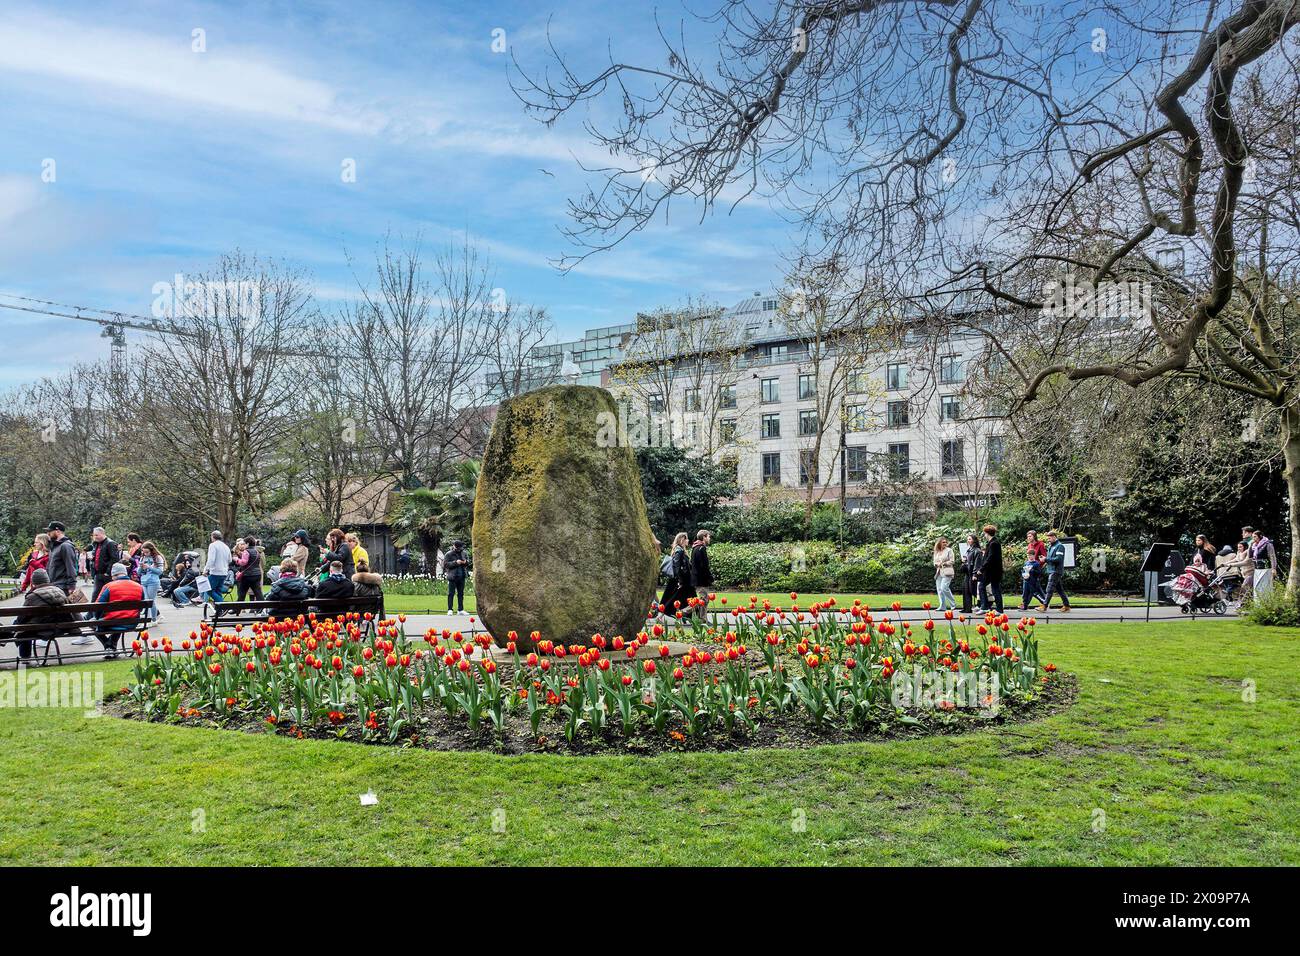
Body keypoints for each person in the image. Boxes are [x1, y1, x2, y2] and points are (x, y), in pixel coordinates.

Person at [2, 568, 72, 663]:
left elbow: (22, 618)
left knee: (22, 626)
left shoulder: (32, 597)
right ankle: (6, 636)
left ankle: (25, 657)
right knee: (24, 625)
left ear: (34, 582)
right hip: (60, 628)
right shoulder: (60, 591)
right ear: (47, 580)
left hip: (39, 630)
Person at [96, 562, 144, 659]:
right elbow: (141, 607)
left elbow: (98, 606)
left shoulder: (109, 586)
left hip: (110, 623)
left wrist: (97, 618)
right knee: (120, 619)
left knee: (93, 623)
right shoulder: (139, 586)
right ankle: (111, 647)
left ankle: (108, 646)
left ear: (114, 575)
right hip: (132, 622)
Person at [659, 532, 694, 617]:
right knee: (678, 599)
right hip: (682, 580)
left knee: (686, 599)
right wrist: (680, 580)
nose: (688, 540)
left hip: (684, 580)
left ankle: (691, 616)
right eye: (686, 539)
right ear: (682, 540)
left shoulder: (680, 550)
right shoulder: (679, 551)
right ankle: (662, 614)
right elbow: (677, 566)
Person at [1040, 530, 1072, 612]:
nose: (1048, 540)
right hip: (1051, 570)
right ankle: (1067, 606)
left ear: (1054, 537)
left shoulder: (1060, 546)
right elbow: (1051, 559)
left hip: (1056, 571)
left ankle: (1044, 606)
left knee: (1049, 589)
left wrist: (1046, 559)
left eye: (1050, 538)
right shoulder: (1051, 546)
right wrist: (1045, 562)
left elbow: (1058, 559)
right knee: (1060, 590)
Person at [45, 522, 80, 595]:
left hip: (63, 587)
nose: (48, 534)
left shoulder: (66, 546)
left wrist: (71, 586)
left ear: (57, 531)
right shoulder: (55, 546)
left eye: (50, 531)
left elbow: (71, 567)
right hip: (54, 586)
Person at [87, 527, 121, 601]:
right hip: (98, 574)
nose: (94, 537)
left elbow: (114, 559)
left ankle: (98, 612)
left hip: (106, 575)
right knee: (95, 596)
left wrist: (108, 572)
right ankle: (92, 612)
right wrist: (92, 559)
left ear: (102, 534)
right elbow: (99, 557)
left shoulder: (110, 543)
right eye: (94, 535)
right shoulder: (96, 544)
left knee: (107, 596)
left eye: (96, 535)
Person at [136, 541, 165, 621]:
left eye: (147, 552)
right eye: (143, 552)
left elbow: (160, 572)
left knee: (150, 601)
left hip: (153, 581)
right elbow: (138, 572)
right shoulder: (142, 557)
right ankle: (150, 618)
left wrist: (149, 567)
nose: (145, 554)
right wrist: (141, 567)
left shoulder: (158, 557)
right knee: (146, 600)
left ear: (152, 550)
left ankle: (153, 619)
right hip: (144, 581)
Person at [978, 524, 1004, 613]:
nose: (984, 535)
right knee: (989, 587)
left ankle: (989, 607)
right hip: (993, 571)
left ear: (987, 533)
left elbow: (990, 558)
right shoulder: (993, 543)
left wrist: (981, 569)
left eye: (984, 533)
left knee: (993, 589)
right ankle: (987, 606)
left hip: (993, 571)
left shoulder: (993, 543)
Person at [1020, 530, 1047, 610]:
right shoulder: (1029, 545)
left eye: (1030, 536)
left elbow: (1044, 557)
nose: (1028, 538)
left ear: (1034, 536)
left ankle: (1044, 603)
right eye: (1028, 536)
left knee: (1035, 588)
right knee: (1029, 588)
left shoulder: (1040, 544)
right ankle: (1025, 604)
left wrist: (1037, 566)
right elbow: (1029, 556)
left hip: (1036, 567)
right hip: (1029, 569)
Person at [203, 530, 232, 605]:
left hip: (215, 572)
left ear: (213, 537)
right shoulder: (226, 546)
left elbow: (211, 560)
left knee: (209, 590)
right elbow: (230, 560)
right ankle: (219, 611)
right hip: (224, 572)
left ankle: (222, 605)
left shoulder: (213, 545)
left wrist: (206, 570)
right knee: (218, 591)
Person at [691, 529, 713, 621]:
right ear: (704, 537)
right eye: (708, 536)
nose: (709, 538)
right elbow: (703, 566)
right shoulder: (701, 548)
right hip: (701, 579)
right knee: (704, 599)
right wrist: (710, 577)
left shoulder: (695, 547)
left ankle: (703, 618)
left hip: (697, 578)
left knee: (704, 599)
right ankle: (685, 611)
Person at [1250, 529, 1278, 597]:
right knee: (1257, 587)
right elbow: (1250, 556)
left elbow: (1272, 556)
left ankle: (1267, 603)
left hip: (1266, 568)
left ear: (1260, 536)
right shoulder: (1254, 546)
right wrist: (1250, 546)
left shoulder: (1268, 544)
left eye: (1255, 537)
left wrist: (1273, 568)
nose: (1253, 539)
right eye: (1252, 537)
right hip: (1257, 569)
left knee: (1265, 586)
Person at [444, 539, 470, 614]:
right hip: (453, 576)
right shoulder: (448, 554)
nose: (459, 549)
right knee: (451, 593)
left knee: (461, 593)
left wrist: (465, 562)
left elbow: (468, 562)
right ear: (454, 546)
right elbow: (446, 564)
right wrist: (455, 562)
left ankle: (460, 609)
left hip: (462, 575)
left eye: (460, 548)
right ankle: (450, 609)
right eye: (458, 547)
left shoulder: (464, 553)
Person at [959, 533, 983, 614]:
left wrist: (975, 574)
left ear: (974, 540)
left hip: (972, 574)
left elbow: (977, 563)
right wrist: (964, 560)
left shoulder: (977, 551)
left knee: (974, 591)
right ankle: (967, 608)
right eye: (968, 539)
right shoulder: (969, 549)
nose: (968, 540)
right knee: (966, 590)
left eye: (969, 539)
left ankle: (984, 605)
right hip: (967, 573)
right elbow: (969, 561)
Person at [932, 536, 956, 611]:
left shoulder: (949, 550)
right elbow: (934, 562)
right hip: (939, 572)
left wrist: (943, 563)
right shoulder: (937, 551)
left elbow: (952, 561)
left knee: (944, 588)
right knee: (939, 589)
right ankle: (942, 606)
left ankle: (953, 604)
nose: (945, 543)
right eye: (943, 542)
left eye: (945, 542)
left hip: (947, 571)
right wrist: (936, 564)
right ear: (939, 543)